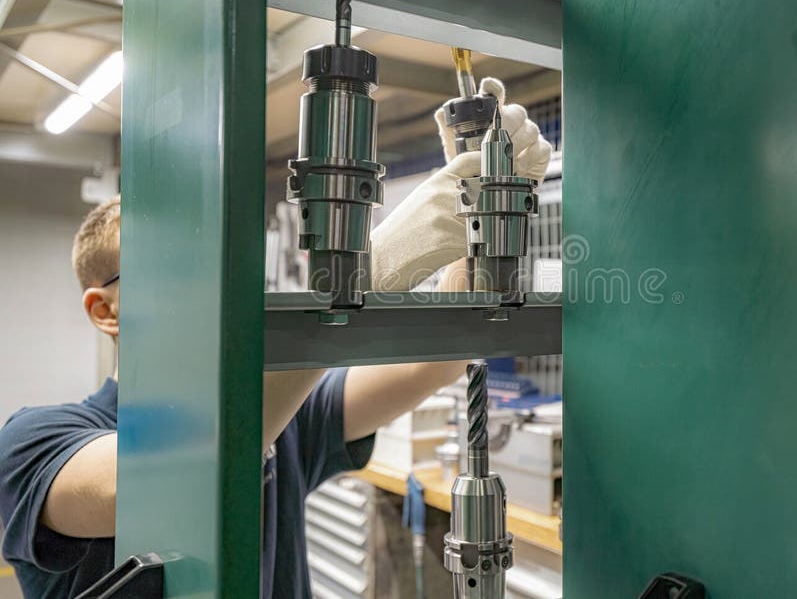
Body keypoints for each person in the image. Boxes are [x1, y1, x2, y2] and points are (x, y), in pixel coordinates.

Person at [0, 78, 551, 598]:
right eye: (169, 267)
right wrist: (367, 273)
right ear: (105, 309)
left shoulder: (286, 415)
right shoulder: (34, 443)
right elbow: (166, 474)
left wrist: (475, 223)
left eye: (214, 262)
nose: (206, 285)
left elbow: (432, 364)